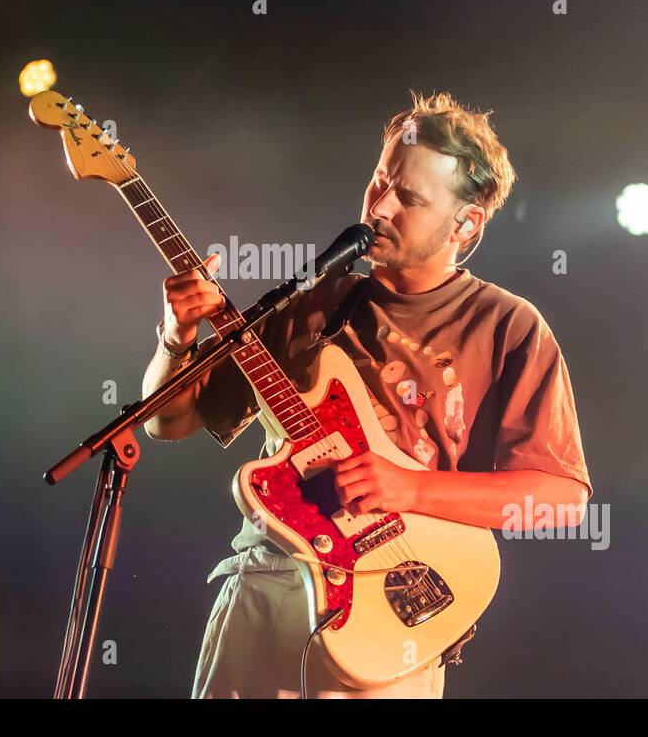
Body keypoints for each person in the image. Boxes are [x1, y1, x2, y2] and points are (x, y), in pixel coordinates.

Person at [142, 91, 592, 698]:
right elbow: (168, 423)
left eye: (409, 199)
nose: (379, 207)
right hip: (266, 588)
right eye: (379, 181)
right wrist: (177, 336)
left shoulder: (507, 327)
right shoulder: (313, 301)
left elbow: (559, 500)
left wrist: (410, 487)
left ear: (467, 222)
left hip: (390, 615)